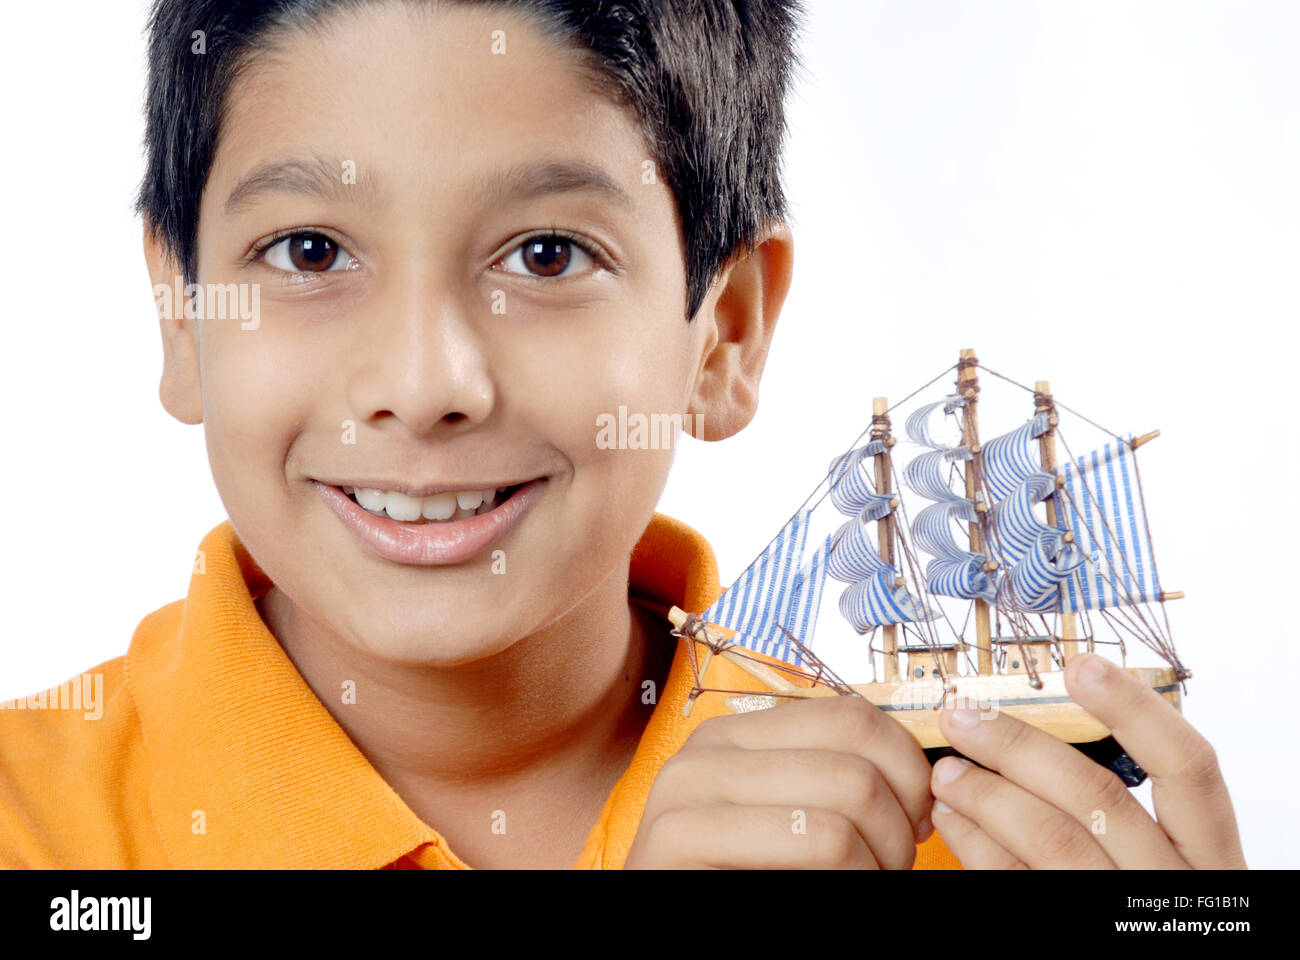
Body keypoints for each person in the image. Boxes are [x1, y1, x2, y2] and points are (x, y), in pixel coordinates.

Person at [0, 0, 1244, 870]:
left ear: (725, 336)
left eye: (546, 254)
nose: (425, 383)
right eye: (309, 251)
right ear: (181, 314)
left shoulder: (964, 833)